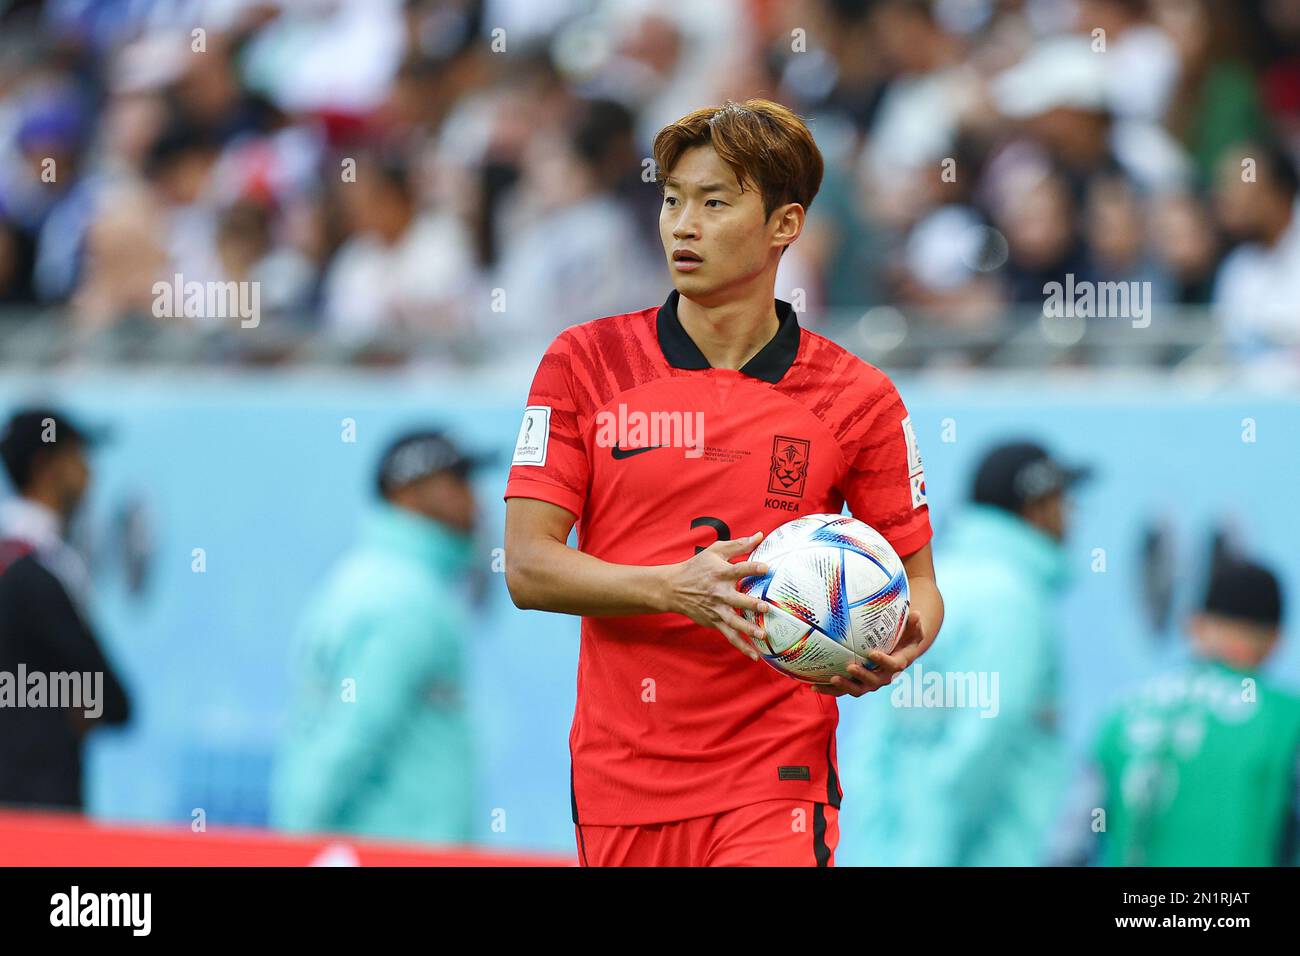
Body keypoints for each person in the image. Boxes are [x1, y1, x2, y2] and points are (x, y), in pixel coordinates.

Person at [503, 98, 944, 867]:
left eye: (714, 202)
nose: (683, 224)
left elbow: (920, 586)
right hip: (622, 782)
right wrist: (675, 589)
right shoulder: (583, 364)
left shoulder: (858, 398)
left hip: (775, 778)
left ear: (785, 224)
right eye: (672, 199)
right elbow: (528, 566)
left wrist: (893, 644)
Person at [851, 440, 1090, 866]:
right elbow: (982, 742)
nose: (1072, 512)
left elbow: (879, 743)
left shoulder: (938, 585)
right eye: (1061, 498)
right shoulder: (1011, 599)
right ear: (1034, 508)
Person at [270, 430, 487, 844]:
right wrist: (294, 847)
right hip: (400, 854)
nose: (475, 501)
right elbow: (350, 738)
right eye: (458, 482)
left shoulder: (366, 578)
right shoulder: (407, 598)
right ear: (407, 493)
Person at [1058, 558, 1300, 866]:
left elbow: (1069, 846)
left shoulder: (1125, 710)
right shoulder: (1286, 719)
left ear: (1195, 625)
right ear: (1276, 640)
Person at [0, 407, 131, 811]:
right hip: (39, 815)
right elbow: (112, 699)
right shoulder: (43, 568)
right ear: (47, 467)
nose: (89, 475)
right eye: (77, 458)